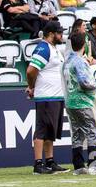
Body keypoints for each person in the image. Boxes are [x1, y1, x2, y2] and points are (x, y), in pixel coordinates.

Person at [25, 19, 68, 174]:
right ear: (51, 34)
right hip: (46, 96)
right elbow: (31, 70)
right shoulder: (43, 48)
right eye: (59, 33)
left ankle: (49, 161)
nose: (62, 35)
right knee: (42, 130)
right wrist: (31, 87)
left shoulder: (53, 48)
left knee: (50, 131)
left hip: (56, 96)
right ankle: (38, 164)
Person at [64, 30, 96, 175]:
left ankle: (78, 166)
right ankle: (94, 165)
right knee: (92, 132)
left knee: (77, 134)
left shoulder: (67, 61)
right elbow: (84, 83)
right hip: (82, 102)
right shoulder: (79, 61)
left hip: (70, 102)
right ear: (84, 45)